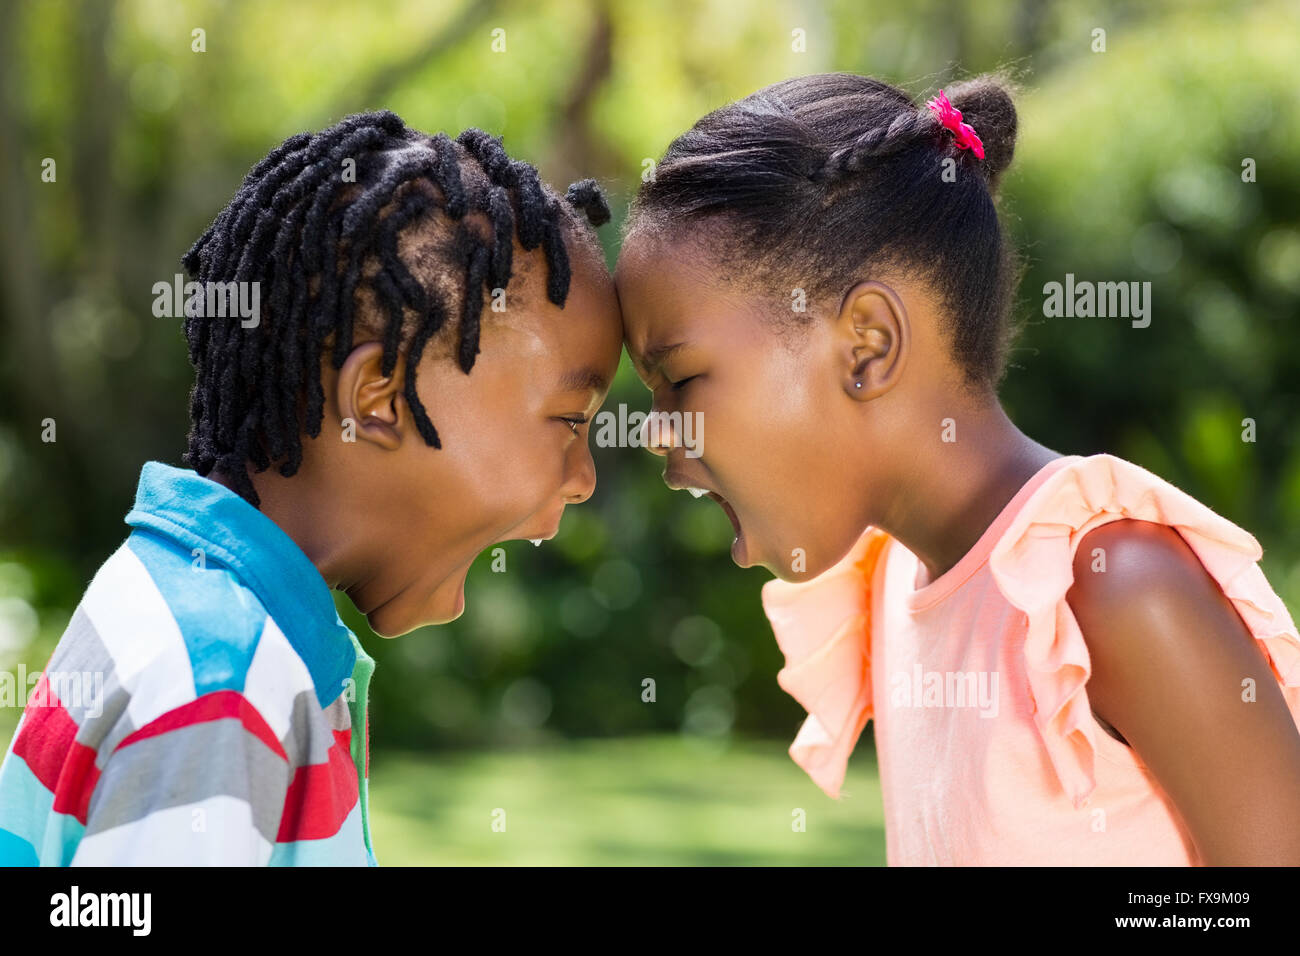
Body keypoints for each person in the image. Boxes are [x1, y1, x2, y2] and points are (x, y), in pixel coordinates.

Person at [615, 72, 1300, 864]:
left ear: (867, 343)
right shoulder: (892, 582)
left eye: (681, 379)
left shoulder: (1110, 585)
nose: (659, 434)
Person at [0, 111, 622, 865]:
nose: (584, 479)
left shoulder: (190, 614)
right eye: (569, 419)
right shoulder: (221, 688)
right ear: (381, 399)